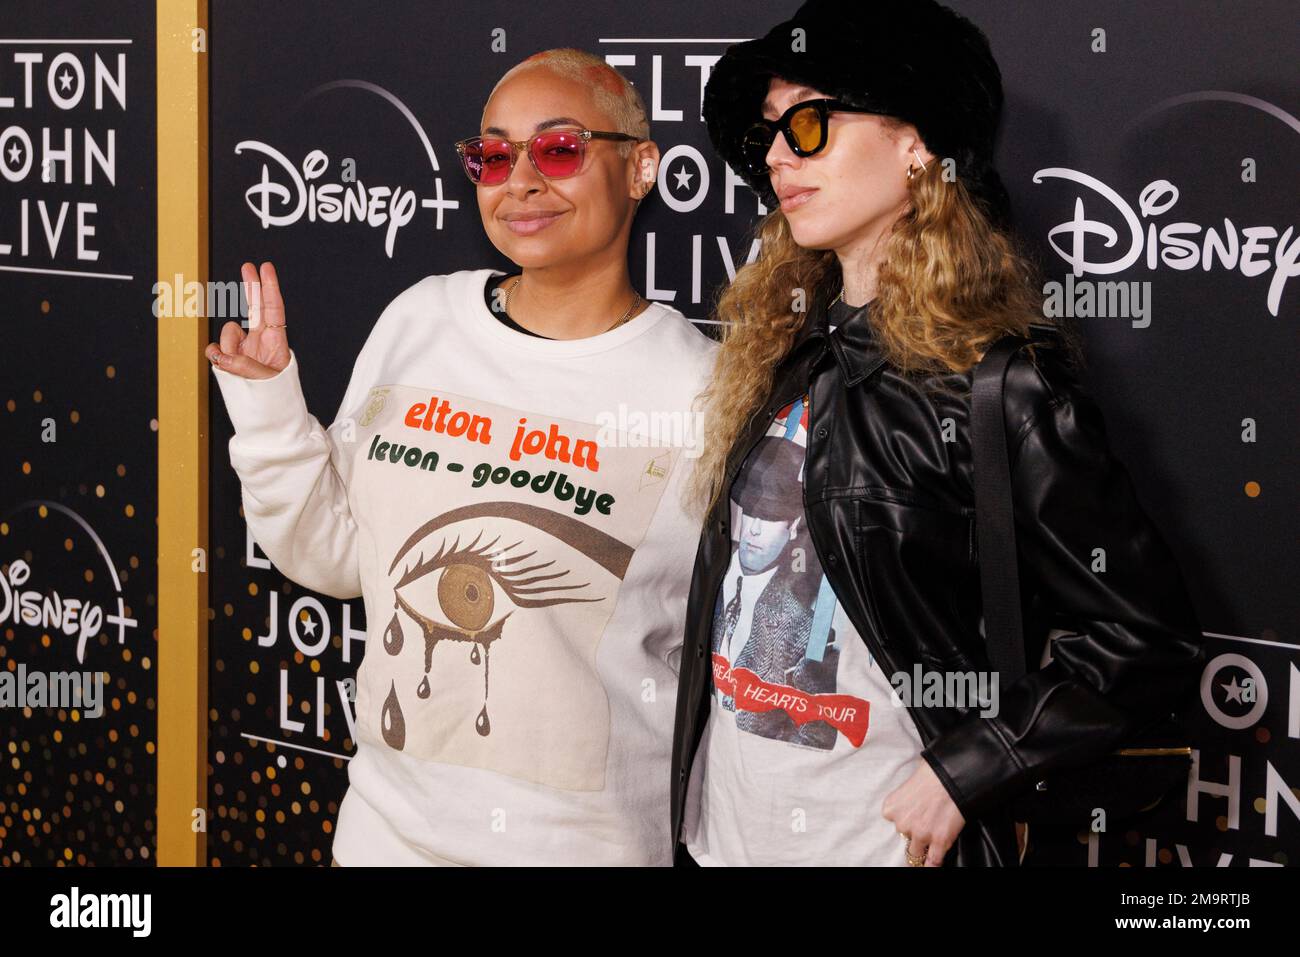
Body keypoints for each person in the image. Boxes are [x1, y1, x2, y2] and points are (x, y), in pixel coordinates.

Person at [672, 0, 1205, 866]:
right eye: (770, 131)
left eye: (809, 123)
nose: (774, 154)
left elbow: (1141, 640)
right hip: (723, 840)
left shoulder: (1002, 385)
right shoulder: (784, 351)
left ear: (917, 144)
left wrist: (976, 764)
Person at [206, 48, 717, 866]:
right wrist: (269, 413)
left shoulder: (702, 390)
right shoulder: (422, 320)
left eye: (558, 149)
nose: (519, 179)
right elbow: (340, 556)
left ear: (640, 168)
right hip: (383, 841)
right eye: (491, 155)